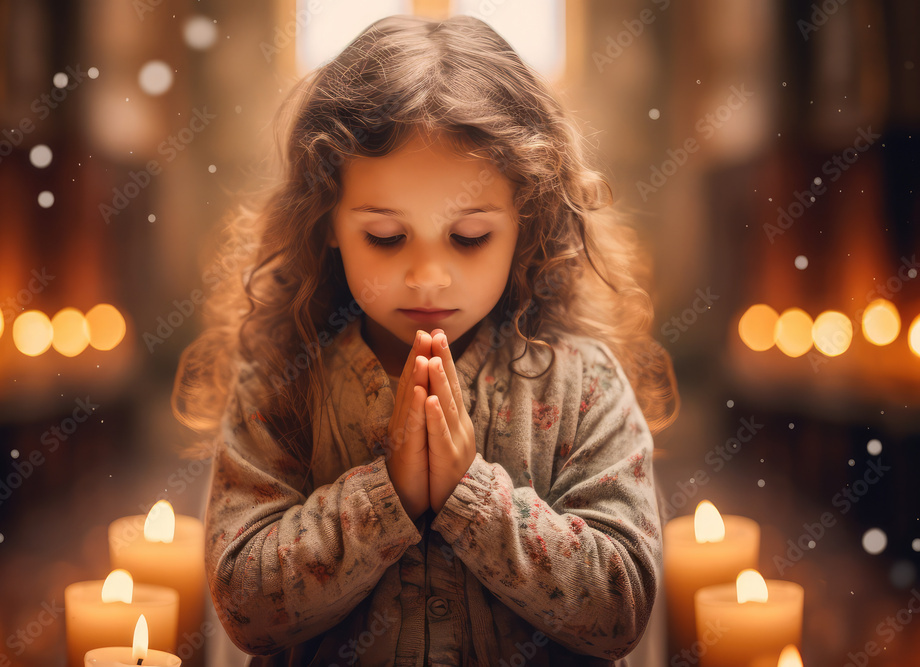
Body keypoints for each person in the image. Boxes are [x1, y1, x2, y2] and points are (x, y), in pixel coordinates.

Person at [172, 13, 680, 666]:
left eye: (470, 237)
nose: (428, 276)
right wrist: (389, 495)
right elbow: (245, 603)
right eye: (385, 236)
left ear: (527, 219)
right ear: (326, 218)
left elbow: (620, 603)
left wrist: (472, 493)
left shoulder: (585, 387)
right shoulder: (281, 382)